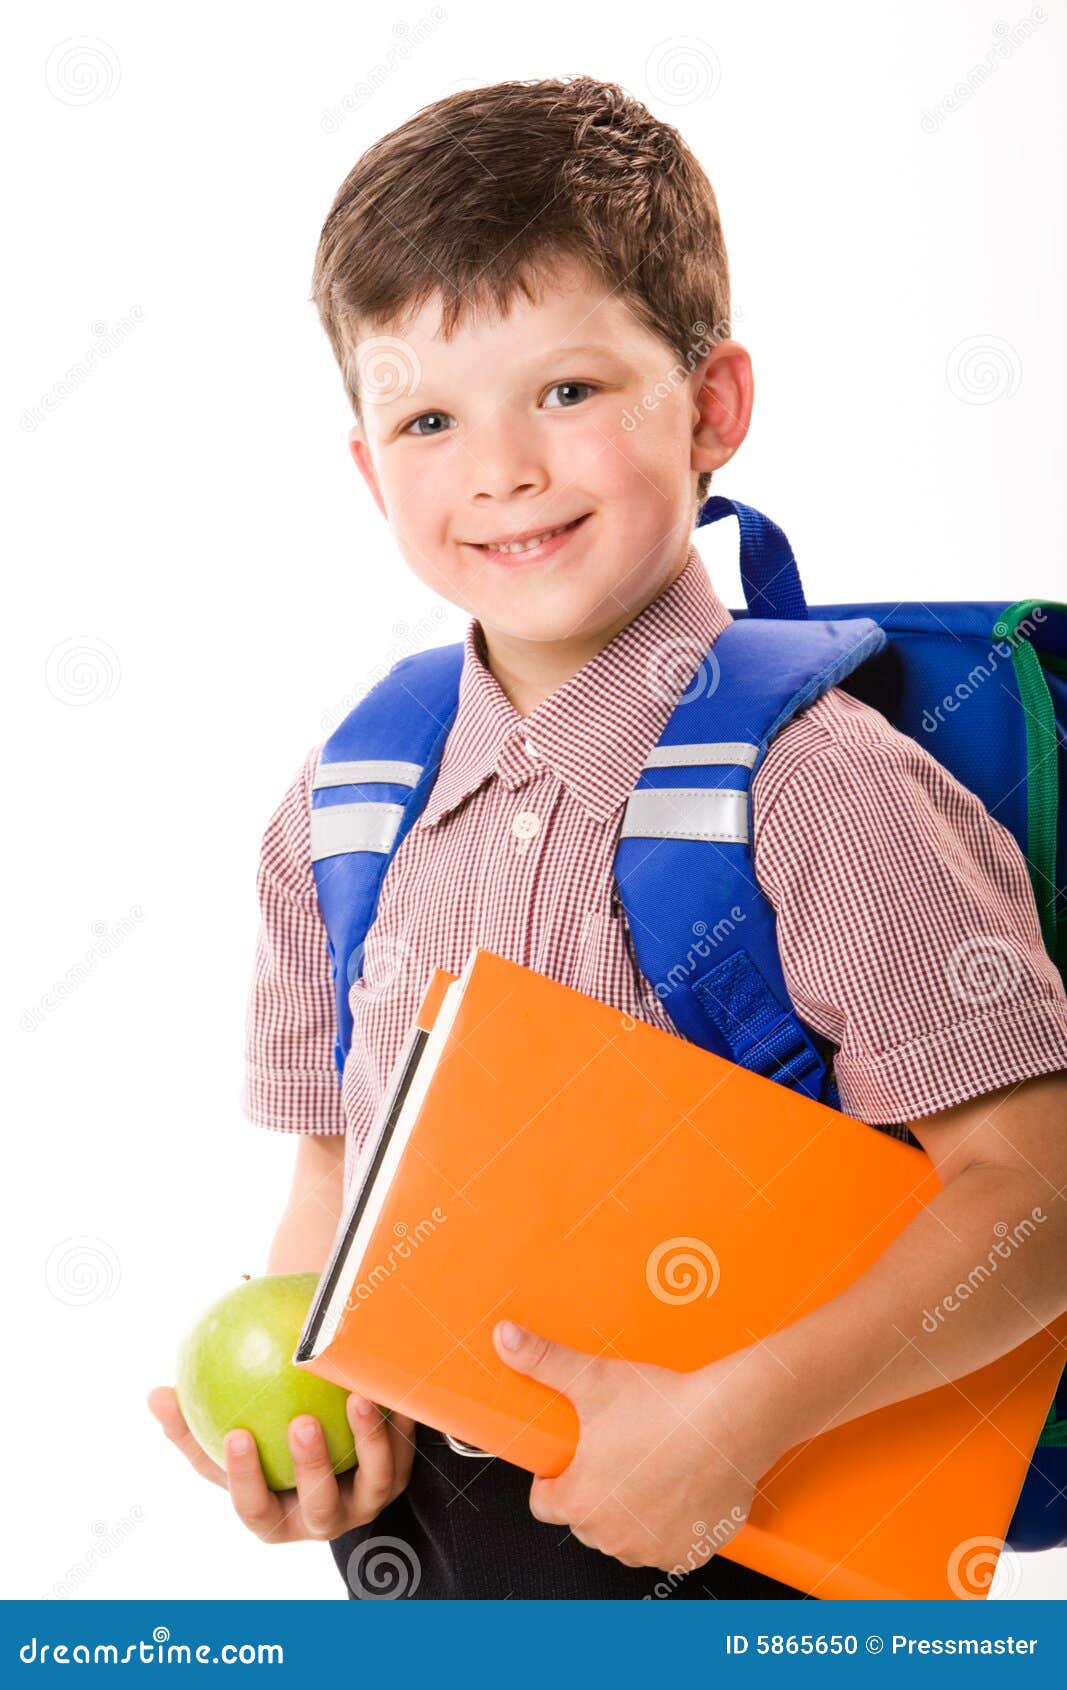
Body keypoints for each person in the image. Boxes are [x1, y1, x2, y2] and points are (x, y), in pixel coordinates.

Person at [148, 75, 1067, 1600]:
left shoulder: (825, 785)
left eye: (566, 392)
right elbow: (334, 1169)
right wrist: (316, 1414)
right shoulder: (340, 810)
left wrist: (735, 1417)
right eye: (430, 418)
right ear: (372, 469)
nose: (502, 466)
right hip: (431, 1571)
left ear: (711, 407)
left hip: (770, 1558)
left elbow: (1032, 1192)